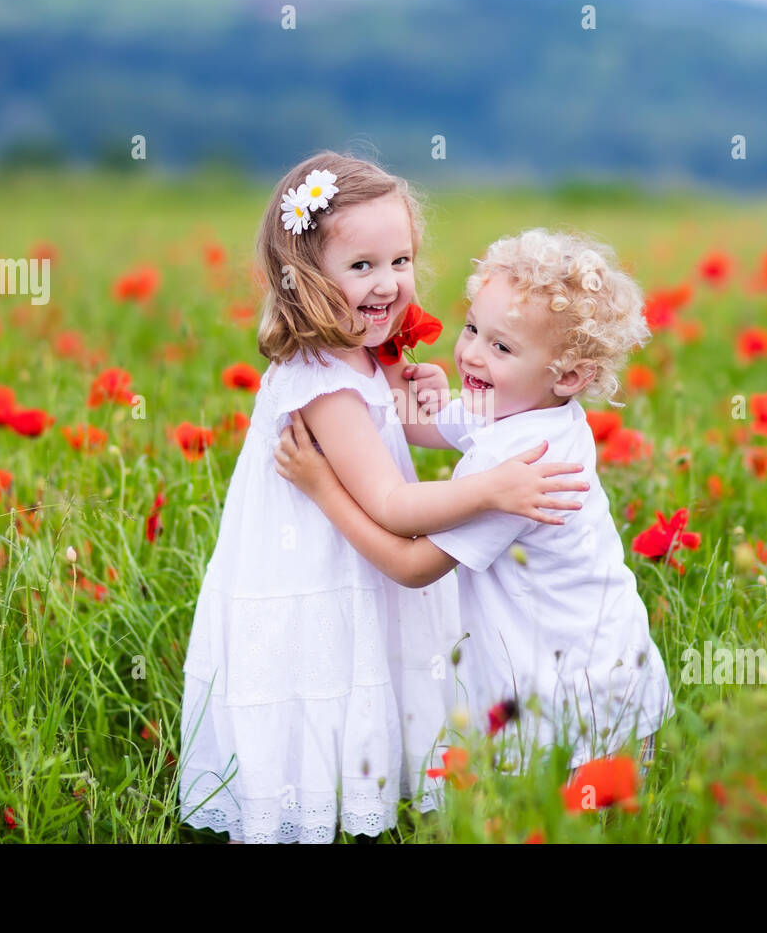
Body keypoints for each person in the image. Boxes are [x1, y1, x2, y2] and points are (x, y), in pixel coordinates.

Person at [179, 154, 590, 843]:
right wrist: (490, 487)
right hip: (318, 573)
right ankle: (312, 816)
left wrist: (418, 392)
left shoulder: (362, 352)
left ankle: (369, 813)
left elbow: (407, 424)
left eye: (400, 260)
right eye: (362, 266)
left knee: (372, 674)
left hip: (354, 566)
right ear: (306, 277)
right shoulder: (323, 380)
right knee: (326, 683)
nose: (390, 283)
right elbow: (393, 507)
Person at [275, 228, 673, 775]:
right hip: (602, 675)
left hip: (584, 702)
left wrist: (323, 488)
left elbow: (411, 565)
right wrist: (394, 354)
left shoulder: (520, 464)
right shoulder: (528, 408)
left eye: (501, 346)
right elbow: (416, 423)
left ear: (570, 375)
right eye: (471, 329)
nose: (471, 354)